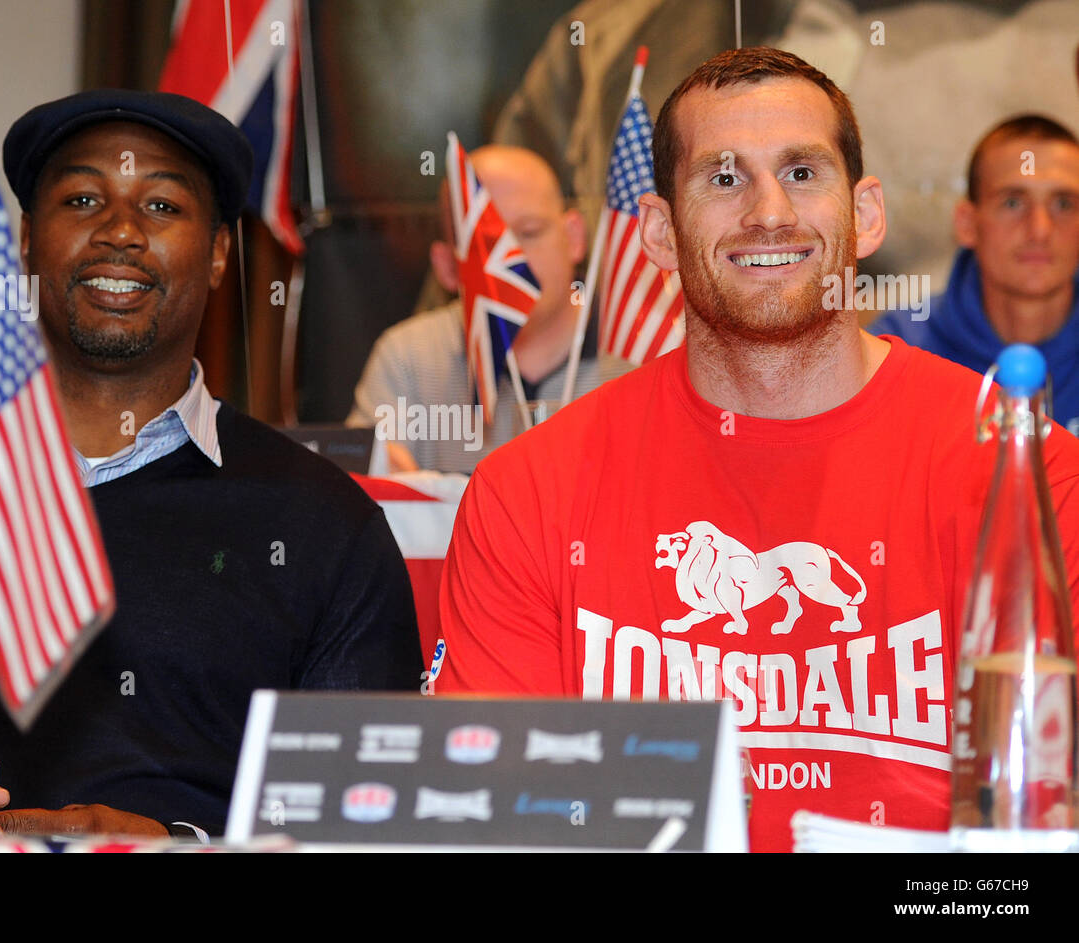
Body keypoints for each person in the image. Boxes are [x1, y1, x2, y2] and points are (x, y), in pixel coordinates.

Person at [435, 48, 1079, 852]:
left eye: (804, 172)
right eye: (724, 177)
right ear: (662, 233)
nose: (769, 212)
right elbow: (491, 827)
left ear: (866, 214)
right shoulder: (527, 491)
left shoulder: (1032, 473)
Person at [0, 89, 421, 839]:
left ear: (218, 253)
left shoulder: (325, 527)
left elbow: (366, 833)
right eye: (83, 198)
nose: (119, 231)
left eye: (161, 207)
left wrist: (180, 851)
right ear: (26, 239)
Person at [347, 145, 633, 474]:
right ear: (446, 267)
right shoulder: (408, 357)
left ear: (574, 237)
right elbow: (359, 482)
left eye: (529, 232)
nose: (511, 264)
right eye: (484, 244)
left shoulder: (639, 347)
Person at [869, 115, 1079, 432]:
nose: (1040, 230)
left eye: (1064, 204)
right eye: (1013, 202)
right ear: (967, 223)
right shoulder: (895, 351)